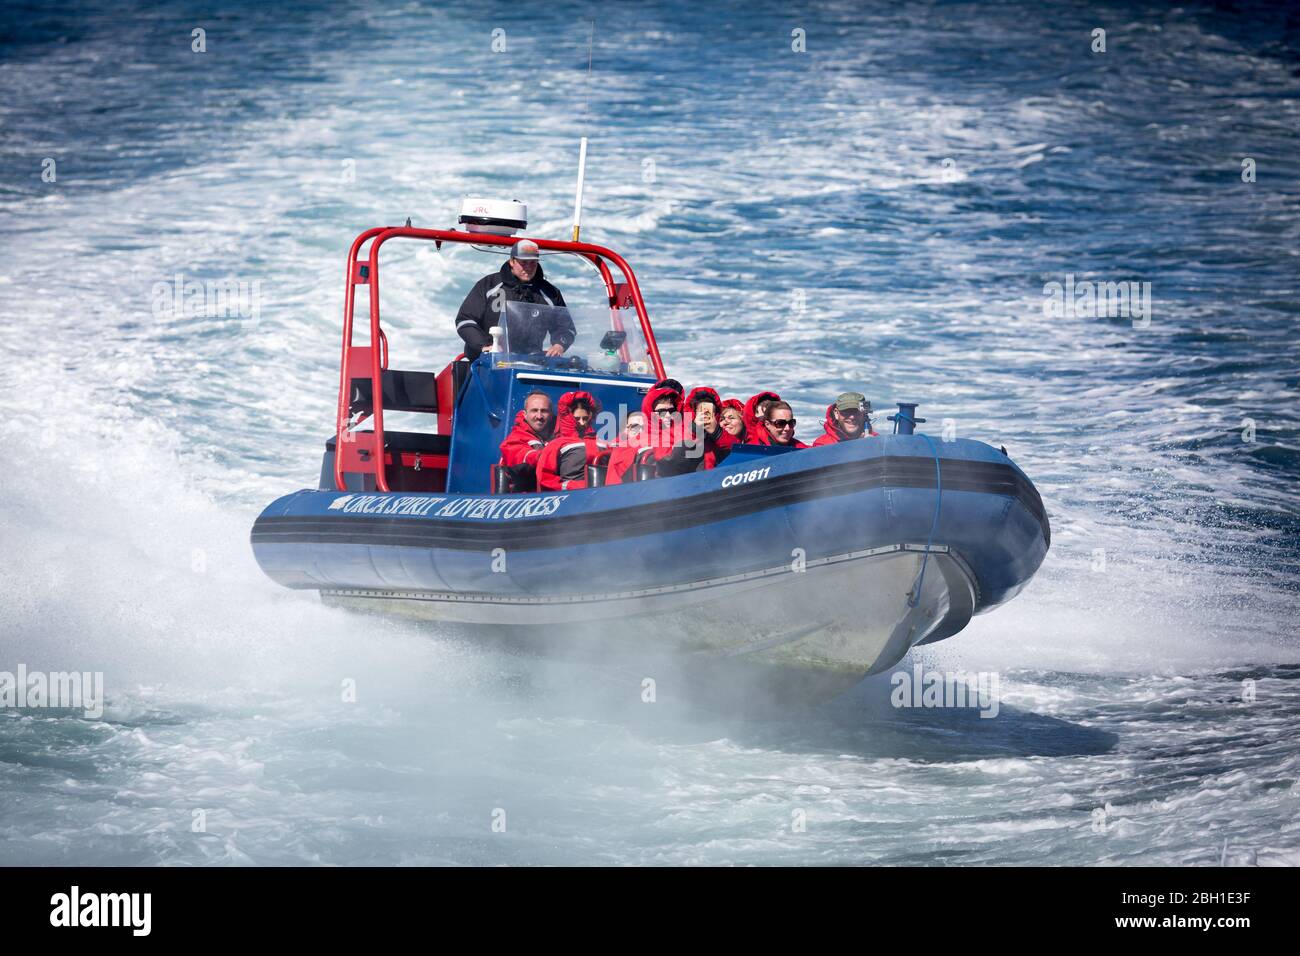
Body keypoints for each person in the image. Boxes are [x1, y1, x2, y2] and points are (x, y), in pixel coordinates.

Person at [454, 239, 575, 361]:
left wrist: (559, 345)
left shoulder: (550, 293)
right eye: (524, 262)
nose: (528, 267)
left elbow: (566, 328)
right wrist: (485, 346)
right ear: (512, 261)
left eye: (533, 263)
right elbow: (465, 320)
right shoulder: (489, 285)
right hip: (486, 361)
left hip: (530, 363)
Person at [535, 391, 608, 490]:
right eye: (577, 419)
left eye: (585, 418)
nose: (582, 423)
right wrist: (568, 486)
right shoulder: (557, 444)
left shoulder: (601, 442)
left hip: (600, 496)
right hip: (570, 497)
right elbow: (545, 478)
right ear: (568, 418)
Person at [604, 412, 652, 485]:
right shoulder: (619, 450)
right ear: (626, 430)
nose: (640, 431)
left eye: (644, 427)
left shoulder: (655, 444)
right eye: (635, 426)